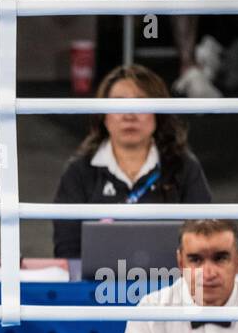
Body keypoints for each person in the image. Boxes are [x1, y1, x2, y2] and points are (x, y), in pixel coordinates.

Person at [52, 64, 212, 260]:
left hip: (170, 286)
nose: (129, 115)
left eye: (140, 103)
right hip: (96, 287)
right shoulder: (78, 171)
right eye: (118, 103)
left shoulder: (184, 166)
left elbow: (205, 239)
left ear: (158, 113)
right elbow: (67, 250)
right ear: (104, 115)